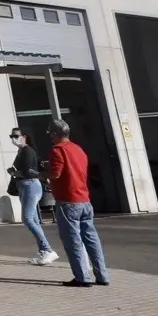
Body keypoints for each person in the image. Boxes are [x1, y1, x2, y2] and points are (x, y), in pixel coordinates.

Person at [47, 120, 108, 287]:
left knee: (73, 240)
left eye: (50, 133)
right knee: (91, 238)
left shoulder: (57, 150)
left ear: (55, 134)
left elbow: (55, 174)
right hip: (84, 199)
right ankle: (102, 275)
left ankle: (82, 277)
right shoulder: (78, 149)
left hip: (68, 201)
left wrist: (38, 174)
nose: (50, 137)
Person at [8, 128, 57, 266]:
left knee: (28, 218)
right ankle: (43, 251)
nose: (13, 138)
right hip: (25, 186)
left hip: (30, 185)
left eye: (16, 136)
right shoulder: (21, 152)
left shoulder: (28, 151)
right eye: (11, 136)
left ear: (24, 136)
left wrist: (15, 173)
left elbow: (29, 172)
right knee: (34, 220)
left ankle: (47, 250)